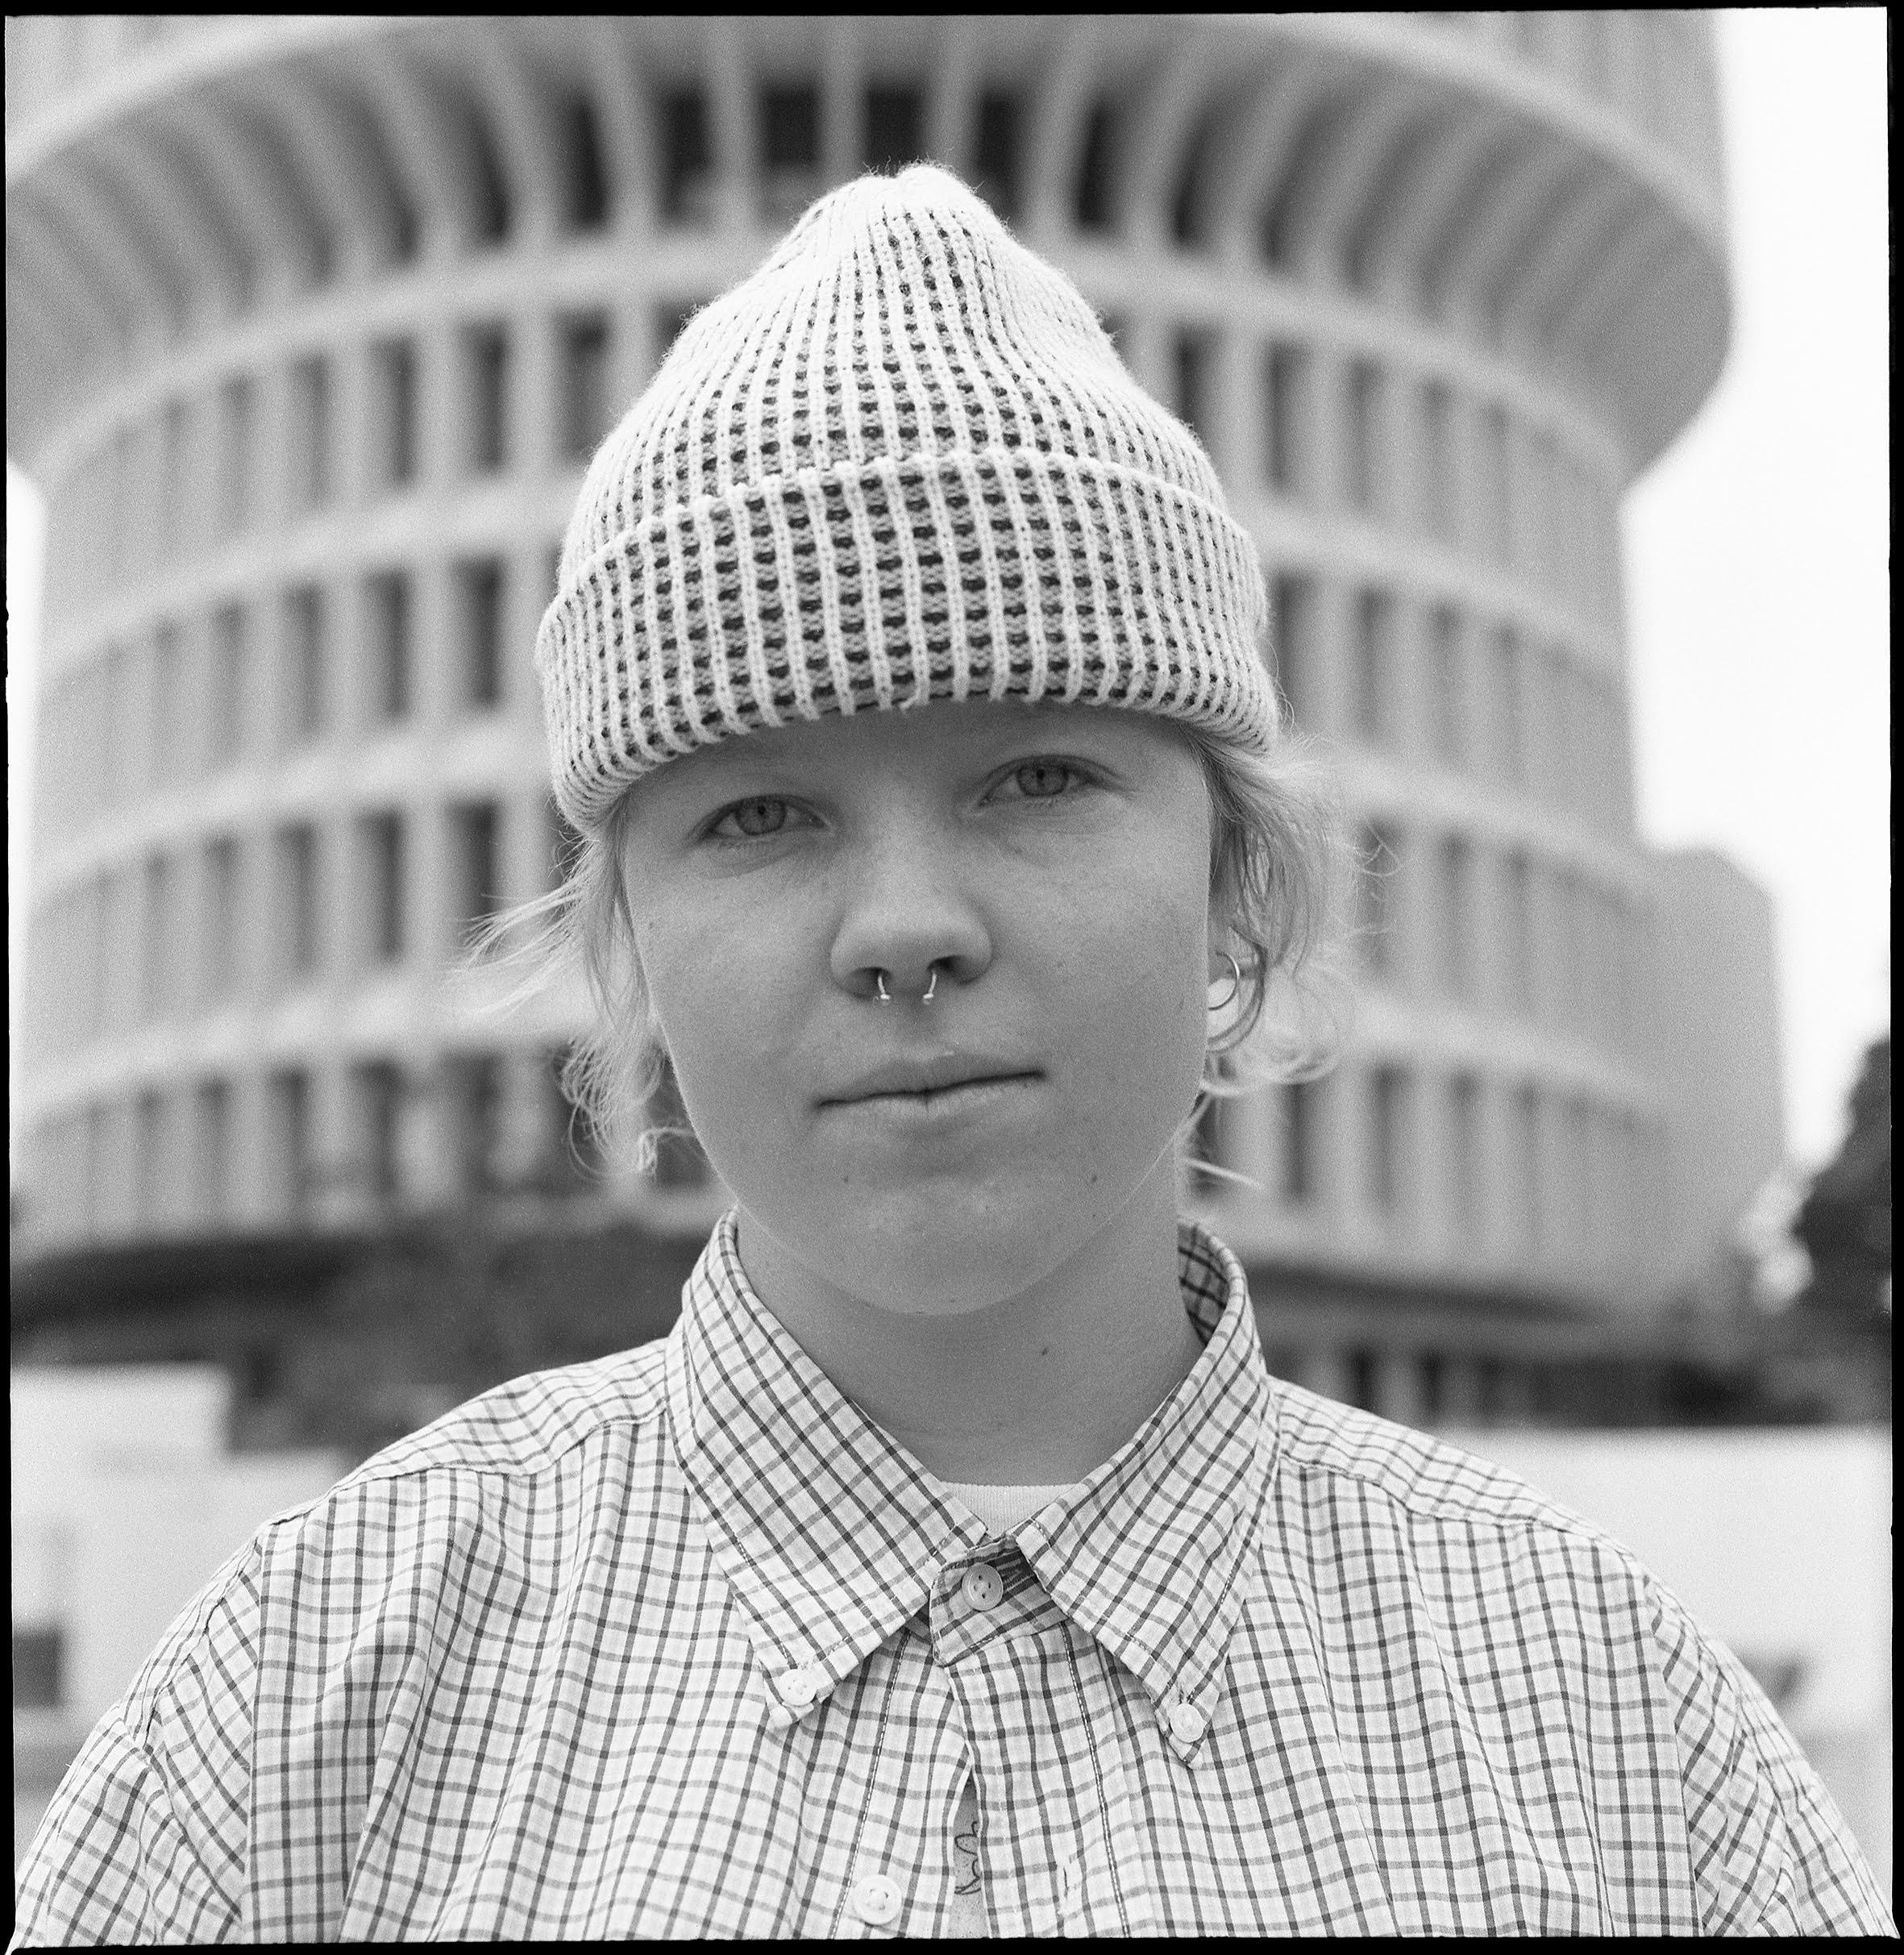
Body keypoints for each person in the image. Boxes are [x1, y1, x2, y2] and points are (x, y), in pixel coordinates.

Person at [12, 165, 1893, 1943]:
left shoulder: (1613, 1731)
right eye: (758, 812)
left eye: (1035, 774)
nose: (903, 925)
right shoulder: (292, 1715)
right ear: (628, 941)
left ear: (1235, 880)